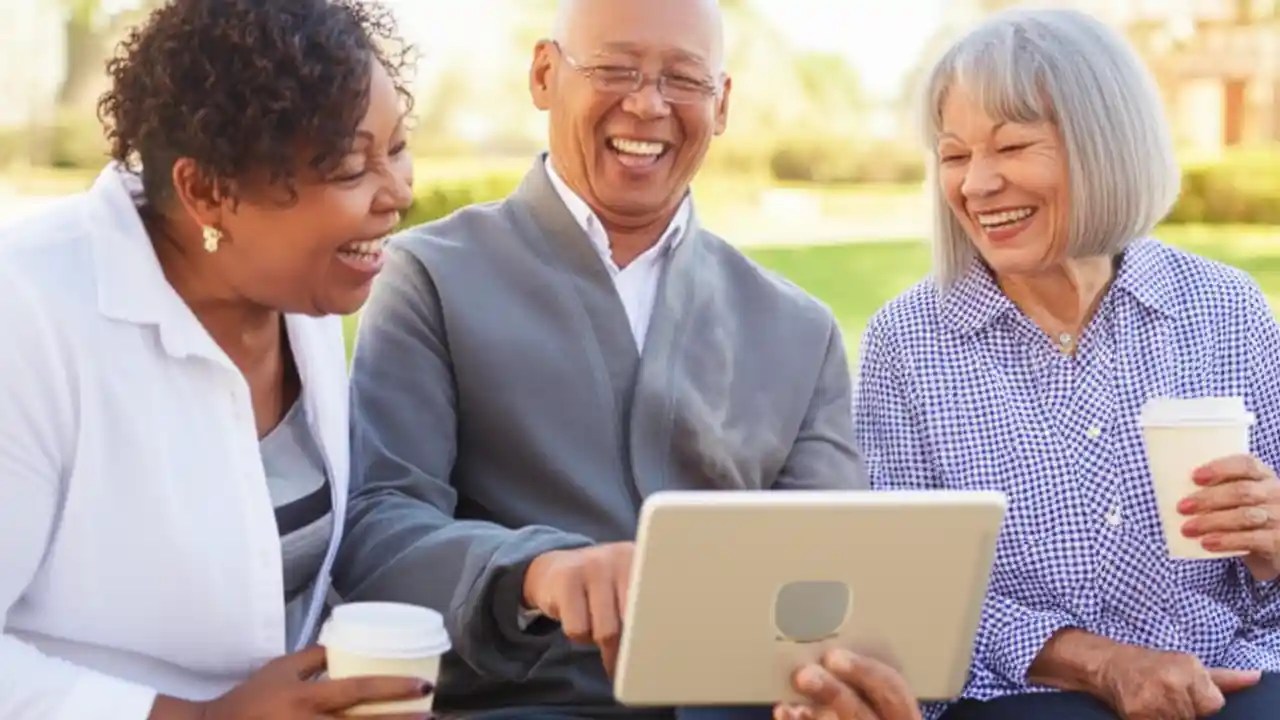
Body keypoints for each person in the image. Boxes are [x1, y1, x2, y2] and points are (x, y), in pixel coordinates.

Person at [333, 0, 918, 718]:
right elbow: (378, 528)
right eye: (615, 70)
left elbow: (833, 576)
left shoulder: (801, 329)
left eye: (683, 79)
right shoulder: (429, 278)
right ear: (545, 74)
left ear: (723, 103)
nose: (647, 105)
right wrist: (538, 572)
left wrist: (838, 688)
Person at [0, 0, 430, 717]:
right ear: (207, 192)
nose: (400, 192)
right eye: (352, 166)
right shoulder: (29, 313)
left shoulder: (301, 292)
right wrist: (195, 718)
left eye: (399, 146)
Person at [853, 8, 1280, 720]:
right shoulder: (908, 341)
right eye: (954, 156)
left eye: (1012, 146)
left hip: (1230, 677)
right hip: (1025, 695)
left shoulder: (1223, 309)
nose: (977, 185)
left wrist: (1272, 535)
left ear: (1104, 147)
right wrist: (1103, 664)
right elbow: (908, 590)